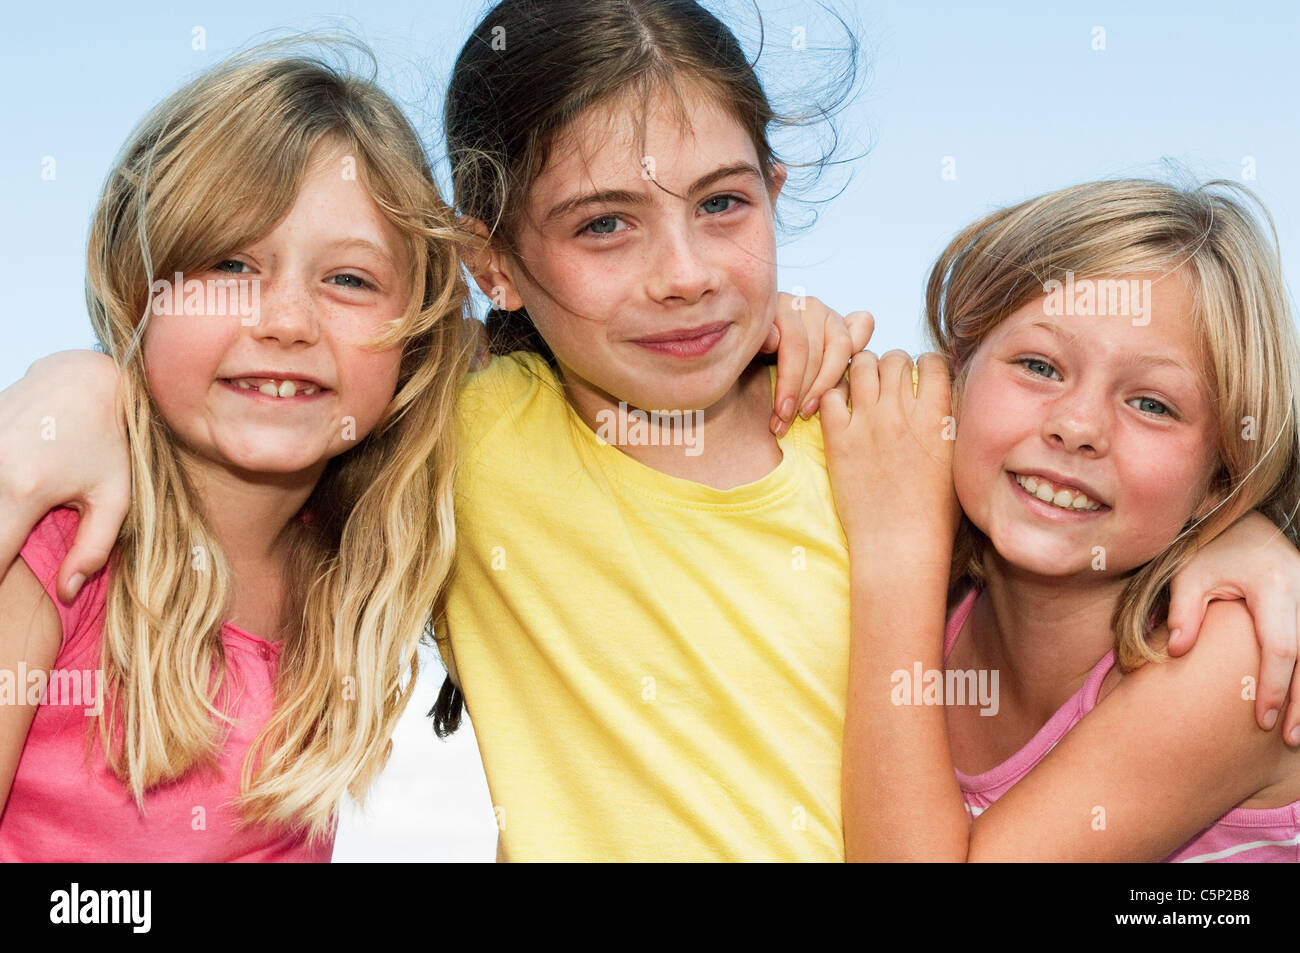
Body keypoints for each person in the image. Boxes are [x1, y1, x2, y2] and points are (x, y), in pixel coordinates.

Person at [5, 5, 1300, 861]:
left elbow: (1096, 502)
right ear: (494, 262)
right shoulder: (460, 432)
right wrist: (81, 389)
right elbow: (291, 366)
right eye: (605, 224)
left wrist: (1245, 548)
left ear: (775, 192)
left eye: (721, 205)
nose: (682, 274)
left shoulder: (887, 434)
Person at [0, 43, 475, 860]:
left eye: (351, 280)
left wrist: (769, 326)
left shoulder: (361, 555)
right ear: (135, 283)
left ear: (415, 335)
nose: (287, 321)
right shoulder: (62, 540)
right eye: (230, 264)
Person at [824, 179, 1300, 861]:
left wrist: (898, 548)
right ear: (957, 372)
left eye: (1153, 405)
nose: (1078, 426)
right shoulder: (943, 605)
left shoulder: (1233, 657)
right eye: (1040, 365)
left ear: (1218, 481)